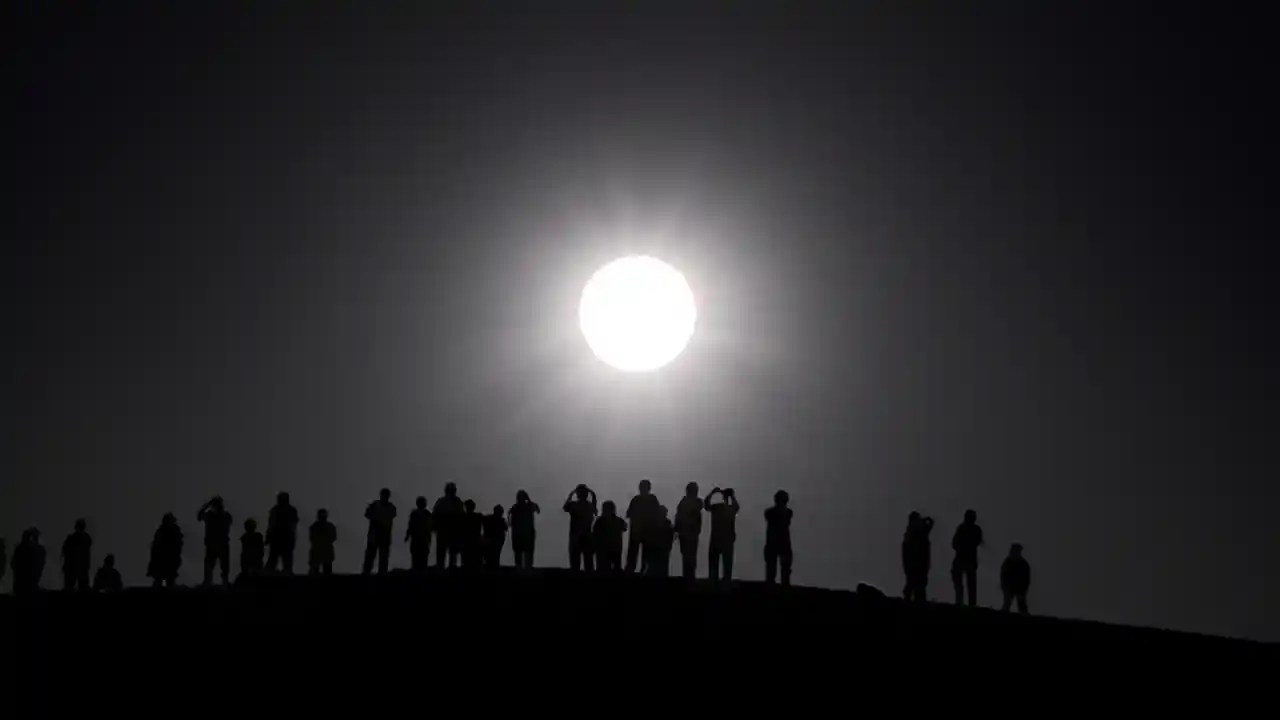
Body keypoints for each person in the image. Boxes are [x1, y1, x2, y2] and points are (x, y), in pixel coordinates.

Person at [624, 479, 661, 574]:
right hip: (646, 532)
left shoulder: (636, 499)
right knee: (645, 555)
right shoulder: (652, 500)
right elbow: (657, 514)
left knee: (634, 555)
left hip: (638, 531)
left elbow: (628, 514)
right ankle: (642, 572)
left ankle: (631, 572)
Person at [704, 487, 740, 582]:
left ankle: (715, 583)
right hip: (724, 540)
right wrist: (732, 496)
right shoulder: (727, 508)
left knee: (716, 565)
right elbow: (706, 506)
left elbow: (706, 505)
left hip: (718, 539)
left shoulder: (718, 507)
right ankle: (722, 584)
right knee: (725, 566)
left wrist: (712, 493)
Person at [951, 509, 984, 607]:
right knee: (966, 584)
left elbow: (955, 544)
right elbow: (955, 544)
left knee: (968, 584)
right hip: (965, 559)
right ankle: (965, 604)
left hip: (966, 559)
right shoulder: (971, 529)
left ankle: (965, 604)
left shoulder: (964, 528)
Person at [197, 496, 233, 586]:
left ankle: (212, 584)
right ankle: (213, 583)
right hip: (218, 545)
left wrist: (206, 506)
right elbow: (199, 517)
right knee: (215, 567)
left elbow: (199, 516)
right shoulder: (224, 515)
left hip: (216, 545)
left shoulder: (214, 515)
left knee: (219, 567)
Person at [563, 484, 598, 572]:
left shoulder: (574, 505)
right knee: (588, 562)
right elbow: (595, 508)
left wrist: (570, 495)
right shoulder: (589, 505)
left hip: (576, 536)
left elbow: (565, 507)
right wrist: (592, 493)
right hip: (586, 535)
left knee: (575, 562)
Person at [363, 488, 397, 575]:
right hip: (375, 533)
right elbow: (367, 515)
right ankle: (367, 572)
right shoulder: (376, 505)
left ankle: (381, 573)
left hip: (384, 533)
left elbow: (391, 516)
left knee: (383, 556)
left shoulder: (391, 507)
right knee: (371, 555)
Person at [901, 511, 933, 601]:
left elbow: (930, 523)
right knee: (913, 585)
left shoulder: (921, 533)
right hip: (914, 565)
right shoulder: (911, 534)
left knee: (919, 587)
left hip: (920, 565)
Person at [673, 482, 703, 580]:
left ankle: (689, 577)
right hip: (688, 534)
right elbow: (679, 517)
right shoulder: (689, 502)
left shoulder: (686, 502)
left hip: (689, 534)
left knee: (689, 556)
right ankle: (689, 577)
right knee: (689, 556)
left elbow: (678, 517)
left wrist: (676, 530)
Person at [764, 490, 794, 586]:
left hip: (779, 543)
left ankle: (781, 586)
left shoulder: (785, 513)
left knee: (783, 568)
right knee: (772, 568)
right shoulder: (772, 513)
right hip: (777, 543)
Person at [266, 492, 299, 574]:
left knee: (283, 559)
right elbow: (271, 525)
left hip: (283, 537)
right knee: (276, 559)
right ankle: (270, 574)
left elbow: (293, 526)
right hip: (279, 537)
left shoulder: (278, 510)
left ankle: (274, 573)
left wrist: (268, 537)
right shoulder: (289, 510)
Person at [147, 513, 184, 588]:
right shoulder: (162, 532)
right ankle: (164, 588)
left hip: (169, 562)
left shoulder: (171, 531)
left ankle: (165, 587)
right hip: (164, 563)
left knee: (167, 579)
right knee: (164, 580)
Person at [433, 482, 465, 568]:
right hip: (446, 530)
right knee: (445, 551)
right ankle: (445, 567)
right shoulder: (455, 502)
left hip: (451, 530)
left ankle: (447, 567)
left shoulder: (443, 502)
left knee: (450, 551)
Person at [592, 501, 628, 573]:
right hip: (615, 549)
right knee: (615, 570)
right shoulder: (618, 520)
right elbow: (625, 527)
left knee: (603, 570)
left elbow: (595, 534)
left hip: (603, 550)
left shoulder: (600, 521)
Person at [508, 490, 540, 569]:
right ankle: (522, 567)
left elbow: (537, 509)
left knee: (526, 552)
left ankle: (526, 567)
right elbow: (511, 522)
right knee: (520, 552)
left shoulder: (526, 506)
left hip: (525, 533)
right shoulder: (516, 507)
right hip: (521, 533)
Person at [11, 528, 46, 596]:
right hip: (25, 584)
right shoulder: (35, 549)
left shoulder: (20, 548)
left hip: (23, 585)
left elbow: (14, 565)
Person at [61, 518, 93, 592]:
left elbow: (65, 551)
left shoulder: (72, 538)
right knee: (83, 587)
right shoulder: (86, 538)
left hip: (72, 567)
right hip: (83, 568)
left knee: (70, 587)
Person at [1000, 543, 1031, 614]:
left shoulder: (1023, 564)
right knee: (1007, 602)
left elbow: (1027, 578)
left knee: (1021, 603)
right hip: (1009, 587)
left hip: (1020, 587)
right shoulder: (1007, 562)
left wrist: (1024, 588)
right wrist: (1005, 587)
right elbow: (1003, 575)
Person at [405, 496, 433, 572]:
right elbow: (410, 525)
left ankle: (419, 573)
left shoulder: (425, 513)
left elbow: (430, 527)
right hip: (418, 539)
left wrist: (407, 535)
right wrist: (407, 535)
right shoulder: (419, 513)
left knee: (421, 558)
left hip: (422, 539)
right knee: (418, 558)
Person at [645, 506, 675, 578]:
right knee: (661, 568)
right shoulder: (667, 524)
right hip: (661, 549)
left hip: (658, 549)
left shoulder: (654, 523)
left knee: (654, 568)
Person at [310, 509, 337, 576]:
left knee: (324, 570)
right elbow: (333, 538)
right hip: (321, 551)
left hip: (321, 551)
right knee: (323, 571)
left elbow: (333, 537)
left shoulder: (314, 526)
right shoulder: (329, 526)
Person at [459, 499, 484, 568]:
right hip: (475, 541)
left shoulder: (462, 517)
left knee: (466, 562)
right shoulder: (479, 516)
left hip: (466, 542)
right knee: (476, 563)